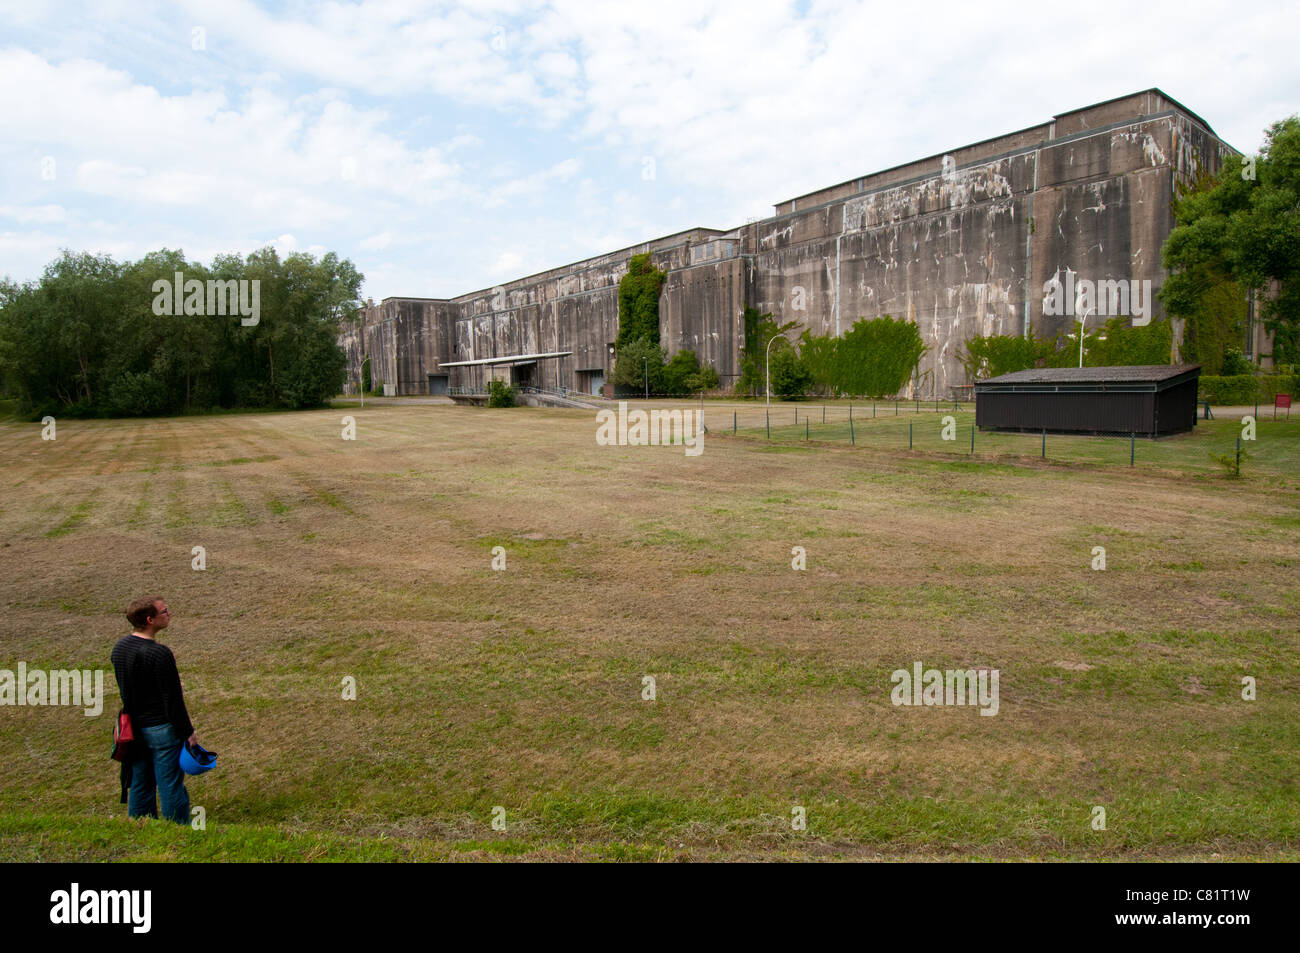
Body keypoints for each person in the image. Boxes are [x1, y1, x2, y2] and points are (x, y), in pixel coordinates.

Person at [111, 597, 197, 824]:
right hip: (161, 728)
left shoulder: (120, 648)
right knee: (170, 784)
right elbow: (173, 699)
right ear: (150, 619)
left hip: (133, 729)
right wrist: (187, 732)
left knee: (140, 781)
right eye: (164, 611)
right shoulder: (159, 654)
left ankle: (140, 825)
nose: (169, 613)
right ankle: (177, 828)